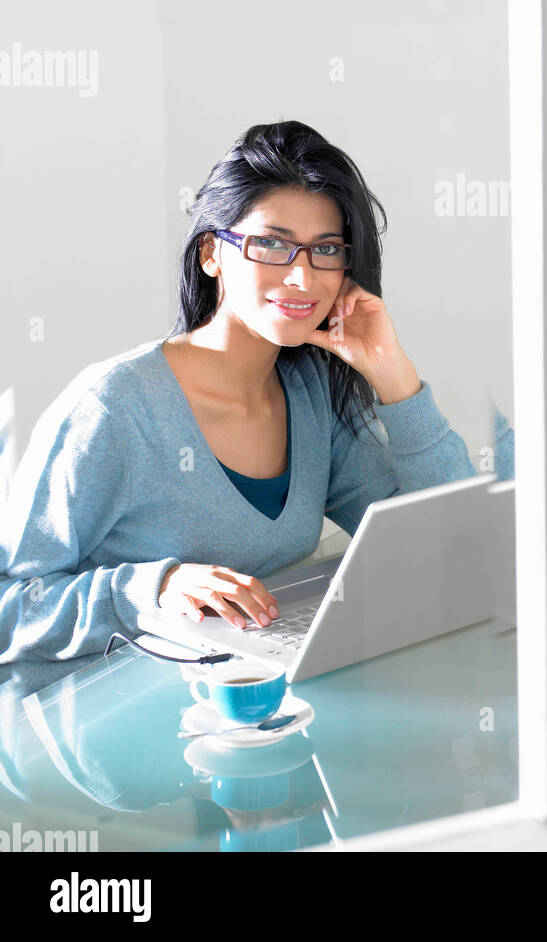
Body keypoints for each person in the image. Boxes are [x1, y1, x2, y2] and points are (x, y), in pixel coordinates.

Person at [0, 120, 493, 691]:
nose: (302, 275)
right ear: (212, 253)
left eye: (326, 250)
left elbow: (452, 545)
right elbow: (10, 607)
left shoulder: (313, 395)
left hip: (246, 710)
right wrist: (153, 589)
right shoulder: (112, 409)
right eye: (273, 244)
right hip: (104, 720)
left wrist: (395, 379)